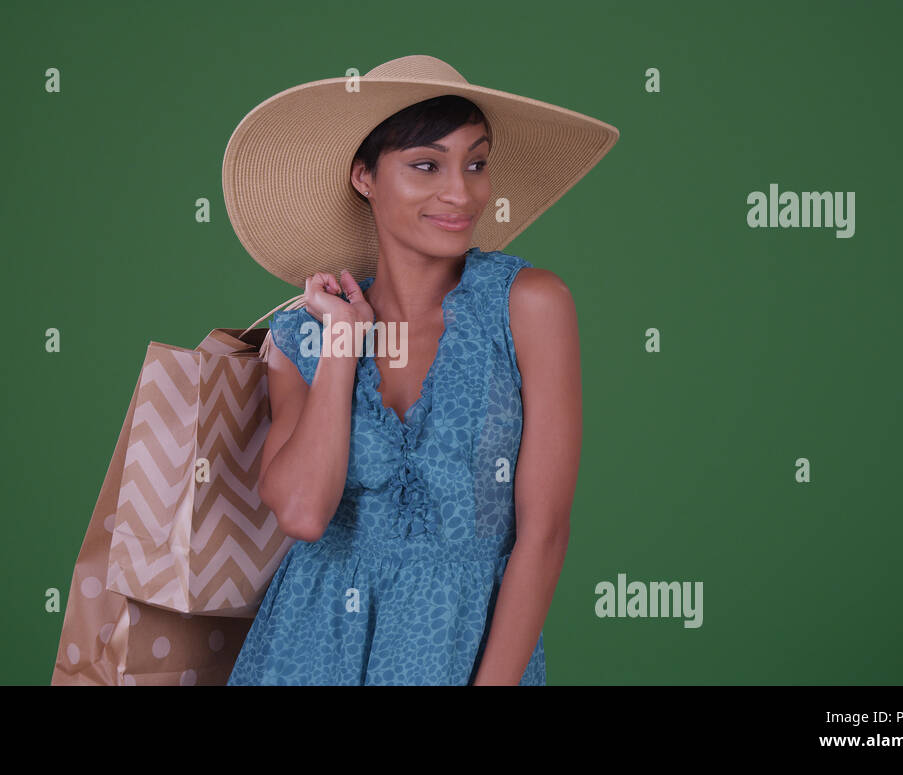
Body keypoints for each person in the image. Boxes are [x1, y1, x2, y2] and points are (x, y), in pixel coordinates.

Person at [219, 55, 618, 685]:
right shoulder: (304, 335)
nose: (462, 192)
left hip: (458, 651)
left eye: (476, 164)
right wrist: (343, 342)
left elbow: (543, 537)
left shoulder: (528, 305)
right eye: (427, 165)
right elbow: (302, 514)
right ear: (365, 177)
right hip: (308, 648)